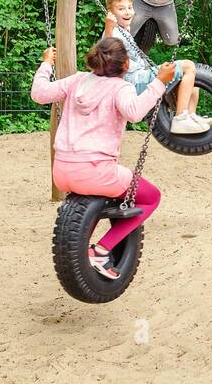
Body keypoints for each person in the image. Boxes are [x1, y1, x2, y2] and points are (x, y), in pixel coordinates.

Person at [31, 39, 175, 279]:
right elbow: (135, 113)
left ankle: (84, 249)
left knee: (101, 194)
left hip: (62, 172)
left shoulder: (77, 80)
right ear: (126, 64)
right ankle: (102, 249)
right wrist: (160, 81)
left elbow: (39, 93)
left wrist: (46, 64)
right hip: (97, 173)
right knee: (150, 197)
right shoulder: (121, 88)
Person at [104, 0, 208, 136]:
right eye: (121, 9)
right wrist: (109, 26)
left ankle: (190, 116)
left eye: (129, 7)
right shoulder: (113, 32)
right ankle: (180, 119)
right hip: (133, 81)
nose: (127, 12)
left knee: (193, 76)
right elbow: (106, 49)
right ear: (111, 14)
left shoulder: (124, 30)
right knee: (188, 66)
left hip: (139, 77)